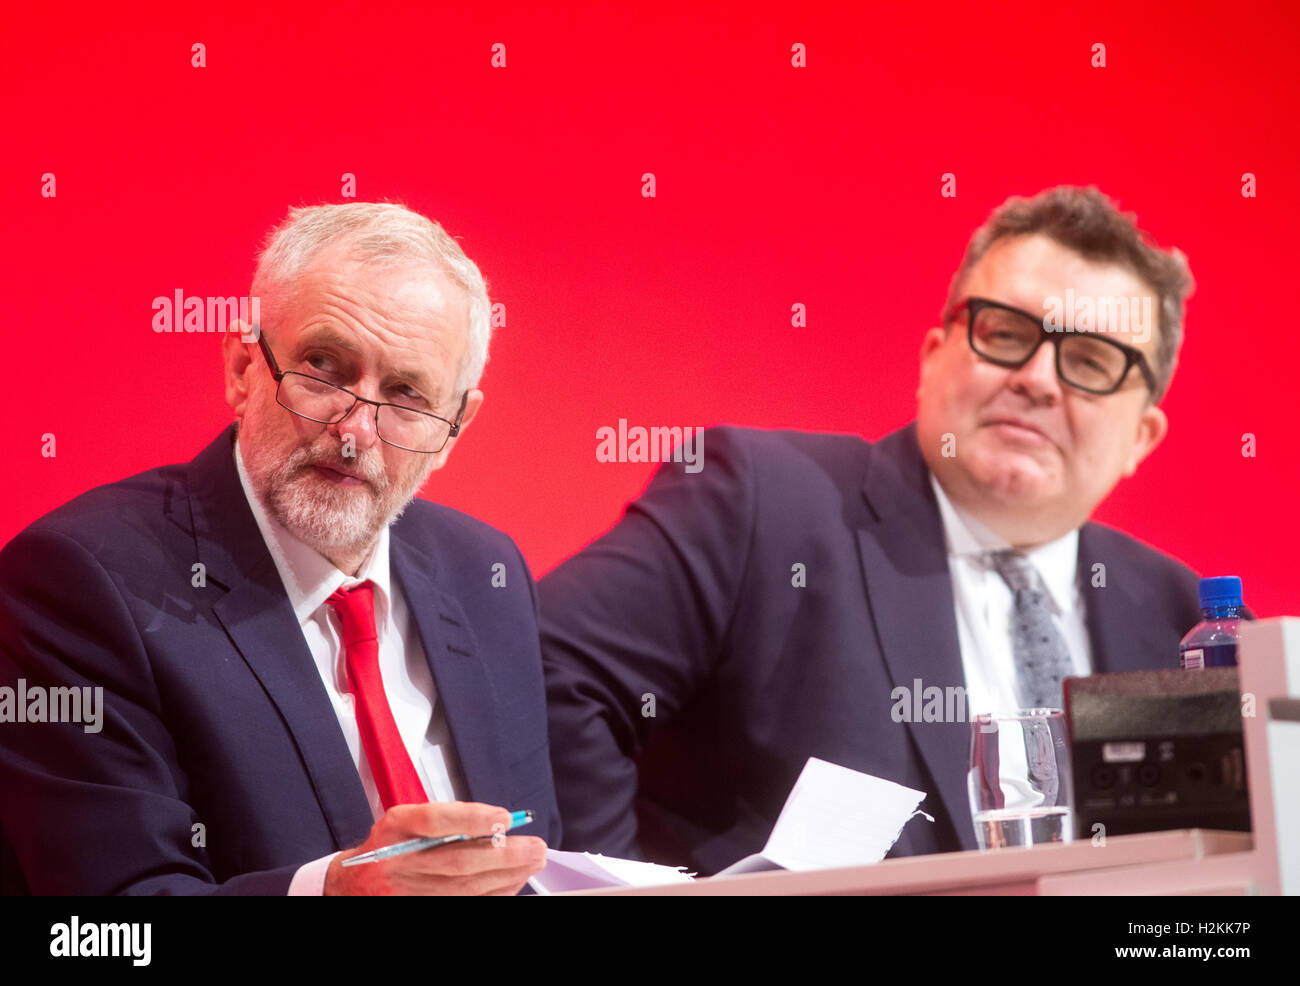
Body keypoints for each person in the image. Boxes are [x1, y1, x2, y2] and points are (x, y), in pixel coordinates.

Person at [540, 186, 1206, 875]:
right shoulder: (758, 502)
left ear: (1142, 436)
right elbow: (544, 674)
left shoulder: (1186, 625)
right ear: (932, 356)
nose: (1038, 379)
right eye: (1006, 334)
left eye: (1092, 361)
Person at [0, 202, 555, 895]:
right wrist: (330, 893)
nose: (356, 431)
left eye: (408, 395)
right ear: (242, 368)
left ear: (455, 428)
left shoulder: (486, 576)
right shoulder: (80, 582)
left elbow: (546, 861)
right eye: (324, 368)